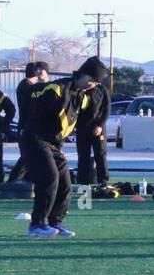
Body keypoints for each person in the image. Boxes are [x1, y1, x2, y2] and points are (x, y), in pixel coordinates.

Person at [25, 57, 107, 238]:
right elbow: (37, 112)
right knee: (49, 177)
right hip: (37, 139)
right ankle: (37, 224)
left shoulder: (82, 96)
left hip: (54, 144)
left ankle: (55, 222)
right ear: (84, 75)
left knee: (65, 182)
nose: (93, 86)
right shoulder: (57, 89)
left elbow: (90, 114)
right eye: (92, 81)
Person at [9, 61, 50, 183]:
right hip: (27, 124)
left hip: (26, 124)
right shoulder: (28, 86)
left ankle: (27, 180)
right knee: (28, 155)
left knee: (30, 155)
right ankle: (14, 181)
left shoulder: (24, 85)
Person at [75, 74, 111, 187]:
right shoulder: (80, 91)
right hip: (82, 128)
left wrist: (100, 125)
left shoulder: (102, 91)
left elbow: (106, 109)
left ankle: (103, 180)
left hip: (98, 128)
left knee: (100, 154)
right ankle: (83, 180)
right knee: (83, 155)